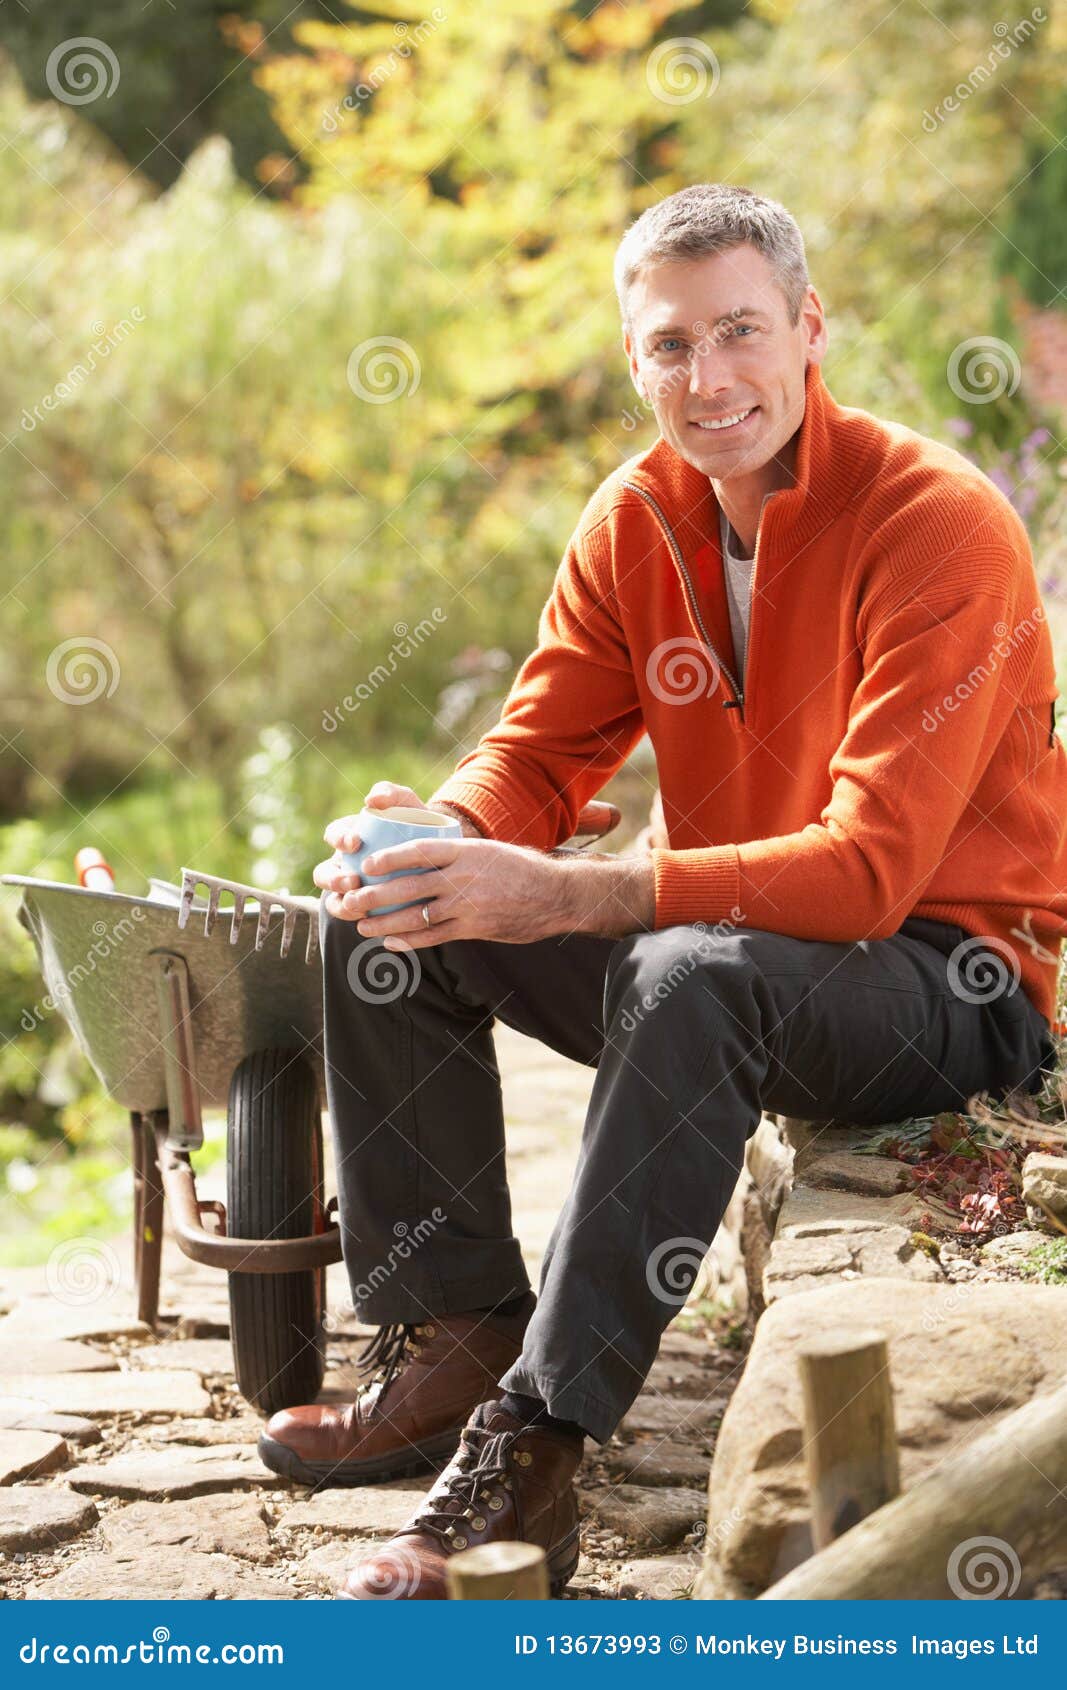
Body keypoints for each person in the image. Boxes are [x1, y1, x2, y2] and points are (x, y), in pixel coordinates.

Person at [257, 184, 1067, 1600]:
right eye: (672, 344)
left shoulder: (936, 523)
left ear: (810, 330)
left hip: (949, 978)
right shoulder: (637, 518)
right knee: (387, 914)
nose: (711, 378)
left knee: (687, 975)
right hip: (740, 949)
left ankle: (536, 1447)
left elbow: (872, 869)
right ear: (634, 359)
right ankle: (456, 1334)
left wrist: (566, 896)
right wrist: (446, 835)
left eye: (742, 331)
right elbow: (543, 747)